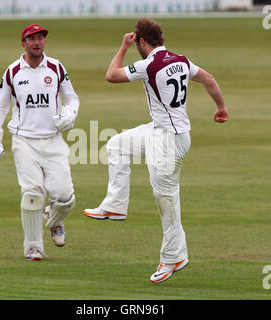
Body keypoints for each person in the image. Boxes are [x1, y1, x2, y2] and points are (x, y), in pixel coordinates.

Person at [84, 18, 228, 283]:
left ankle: (173, 258)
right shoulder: (181, 60)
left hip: (169, 140)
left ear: (141, 41)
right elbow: (208, 79)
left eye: (136, 41)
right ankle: (115, 205)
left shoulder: (148, 64)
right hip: (160, 131)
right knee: (116, 145)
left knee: (166, 200)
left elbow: (111, 75)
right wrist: (221, 107)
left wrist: (122, 47)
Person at [0, 24, 79, 261]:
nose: (37, 42)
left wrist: (70, 116)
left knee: (65, 197)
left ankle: (54, 220)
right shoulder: (13, 71)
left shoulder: (56, 67)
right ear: (23, 43)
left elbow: (71, 98)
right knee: (32, 193)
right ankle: (33, 247)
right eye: (32, 39)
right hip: (24, 140)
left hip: (53, 140)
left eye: (41, 38)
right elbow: (0, 105)